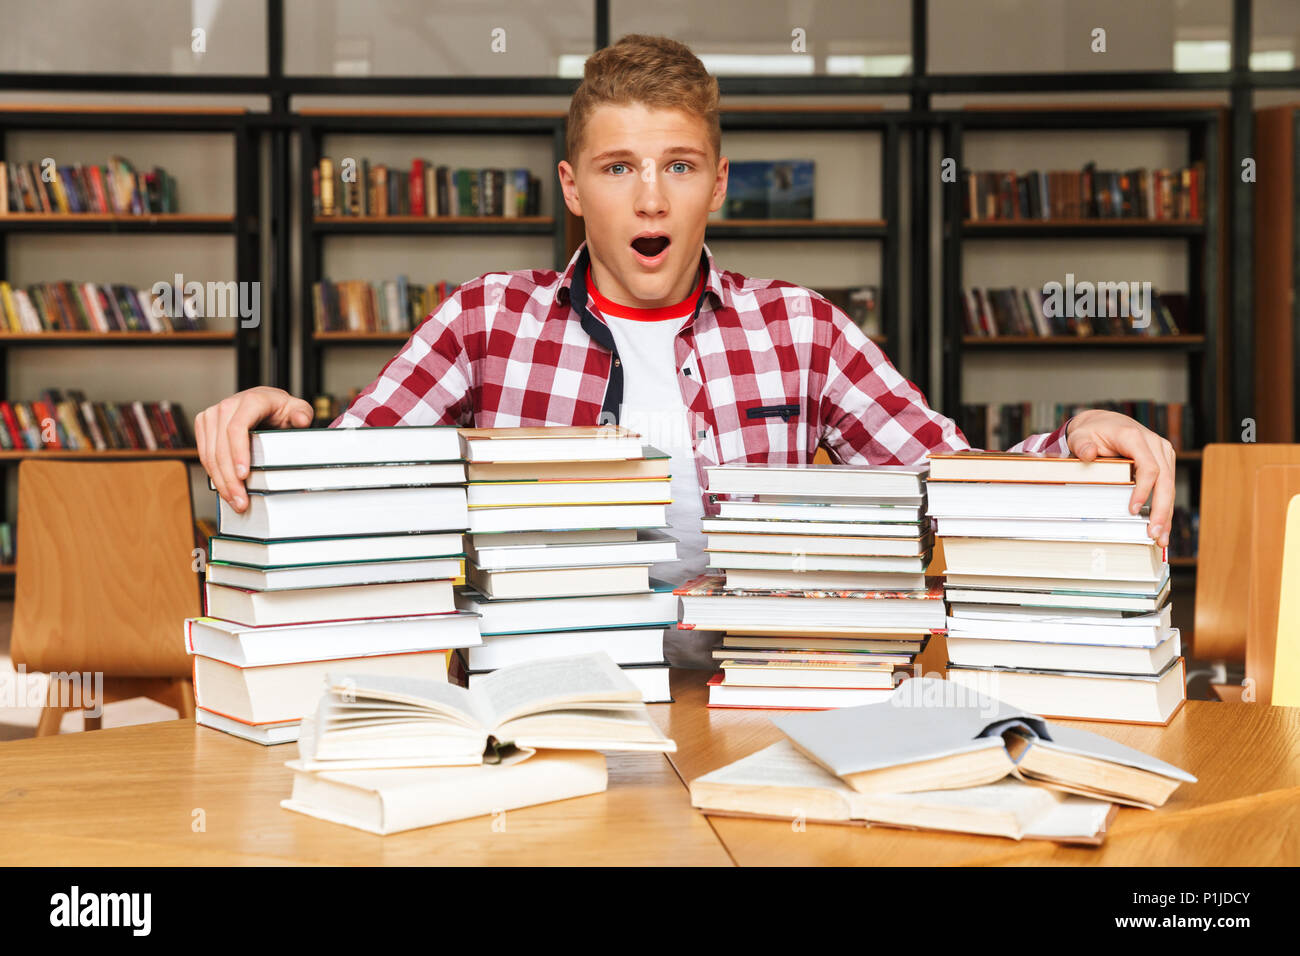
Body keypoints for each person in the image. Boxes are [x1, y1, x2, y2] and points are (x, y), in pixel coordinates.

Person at [195, 34, 1176, 668]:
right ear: (575, 188)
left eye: (678, 166)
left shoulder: (801, 325)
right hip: (547, 698)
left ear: (716, 183)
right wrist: (277, 420)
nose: (651, 199)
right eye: (620, 169)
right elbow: (352, 470)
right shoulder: (487, 317)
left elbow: (944, 476)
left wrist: (1074, 443)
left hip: (763, 692)